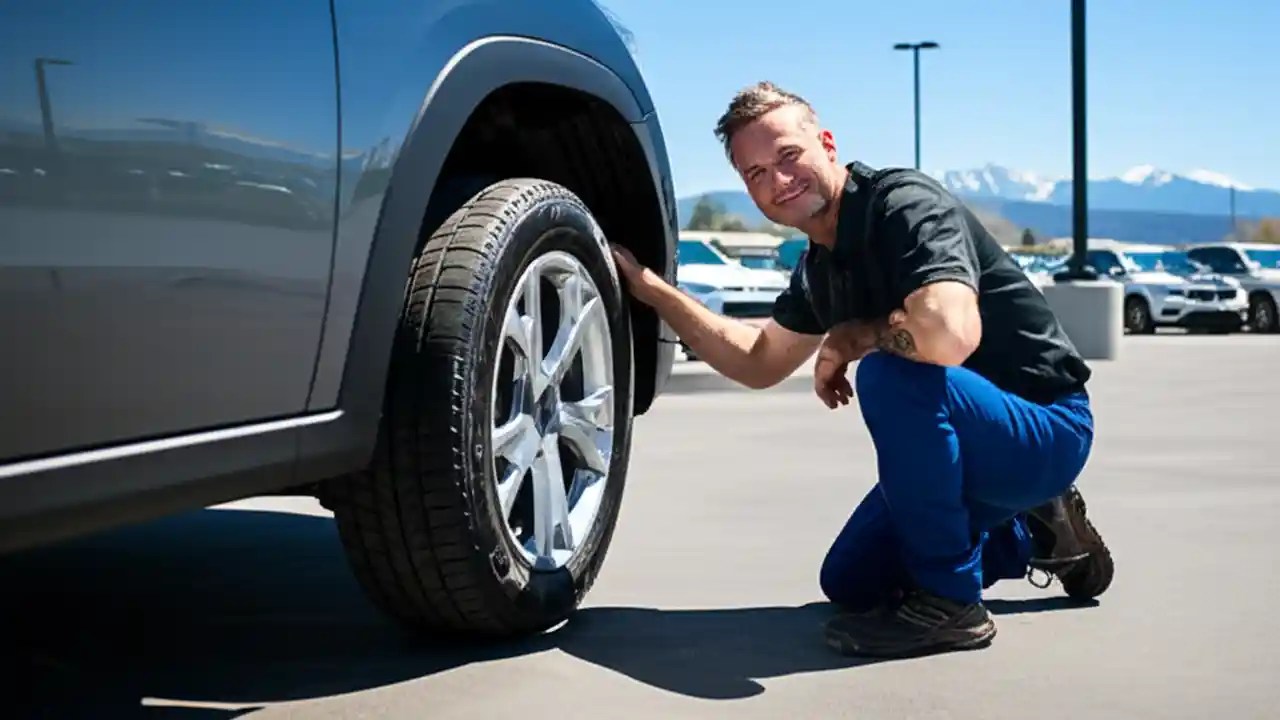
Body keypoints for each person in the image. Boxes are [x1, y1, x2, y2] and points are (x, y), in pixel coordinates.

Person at [609, 81, 1113, 658]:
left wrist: (861, 336)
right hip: (969, 458)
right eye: (755, 174)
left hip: (1045, 428)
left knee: (887, 375)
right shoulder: (819, 269)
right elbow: (756, 362)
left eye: (787, 156)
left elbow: (950, 336)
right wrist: (652, 291)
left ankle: (953, 604)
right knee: (850, 580)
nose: (777, 181)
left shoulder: (905, 206)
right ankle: (1038, 531)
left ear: (826, 144)